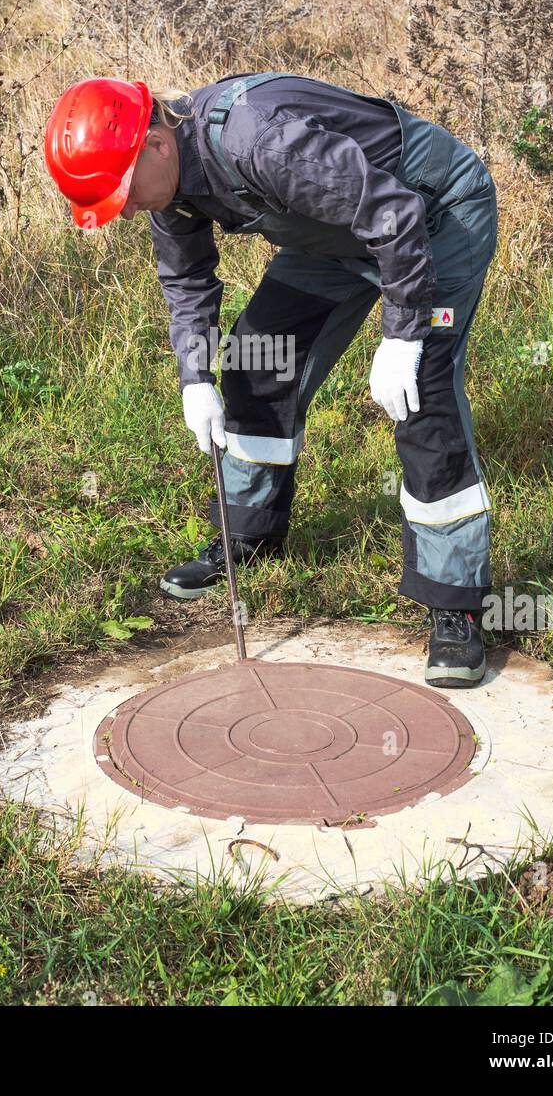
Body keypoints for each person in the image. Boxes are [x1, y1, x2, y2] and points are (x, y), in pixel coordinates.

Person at [45, 72, 498, 687]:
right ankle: (249, 538)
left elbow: (394, 213)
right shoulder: (170, 185)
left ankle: (456, 604)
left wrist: (402, 337)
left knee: (423, 399)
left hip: (431, 216)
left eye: (123, 192)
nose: (125, 208)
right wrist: (195, 378)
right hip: (335, 235)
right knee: (259, 363)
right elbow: (187, 282)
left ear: (154, 142)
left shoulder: (260, 140)